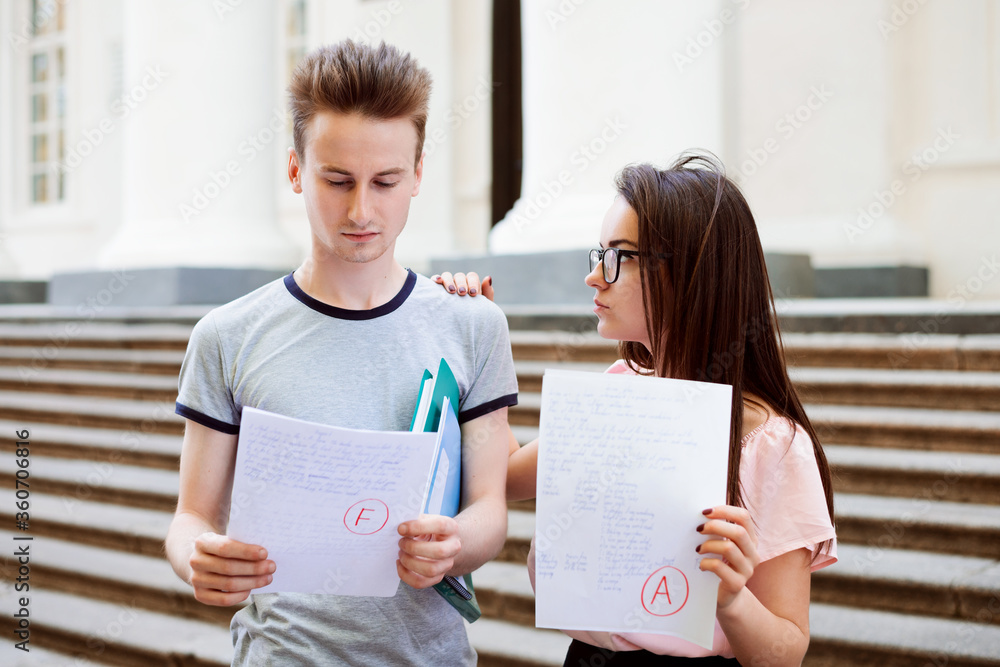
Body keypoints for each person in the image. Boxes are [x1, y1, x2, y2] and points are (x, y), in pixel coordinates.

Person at [164, 40, 518, 666]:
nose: (361, 210)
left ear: (417, 174)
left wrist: (453, 543)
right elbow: (192, 515)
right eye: (336, 180)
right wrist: (200, 556)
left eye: (385, 181)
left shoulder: (474, 327)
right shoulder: (226, 335)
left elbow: (489, 506)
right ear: (296, 170)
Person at [434, 153, 837, 666]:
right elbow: (505, 476)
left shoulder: (774, 446)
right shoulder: (617, 392)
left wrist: (732, 598)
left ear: (691, 271)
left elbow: (784, 653)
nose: (594, 278)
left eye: (619, 256)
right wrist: (479, 343)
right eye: (598, 254)